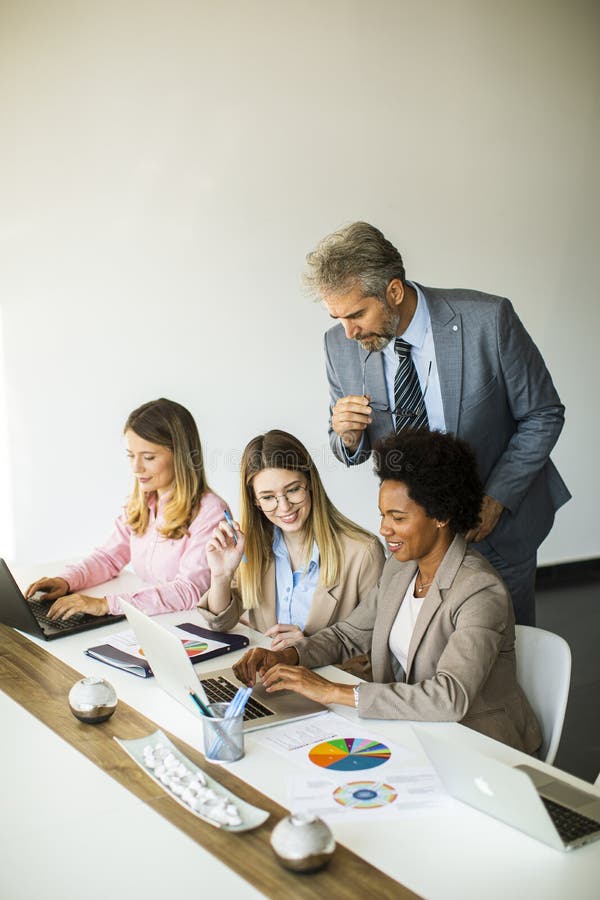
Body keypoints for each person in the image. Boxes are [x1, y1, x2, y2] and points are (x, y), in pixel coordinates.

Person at [304, 221, 570, 626]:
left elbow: (543, 414)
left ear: (393, 291)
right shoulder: (338, 344)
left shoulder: (489, 320)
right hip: (415, 539)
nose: (348, 331)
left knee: (505, 662)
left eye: (357, 314)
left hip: (496, 527)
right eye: (338, 317)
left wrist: (496, 498)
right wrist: (347, 435)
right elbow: (347, 449)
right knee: (424, 657)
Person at [232, 430, 542, 755]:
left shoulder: (479, 590)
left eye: (398, 517)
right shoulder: (401, 568)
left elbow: (449, 696)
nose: (384, 529)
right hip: (409, 731)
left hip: (478, 747)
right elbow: (348, 635)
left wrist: (332, 691)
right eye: (382, 514)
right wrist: (288, 656)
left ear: (442, 515)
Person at [26, 398, 228, 619]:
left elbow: (189, 590)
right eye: (131, 456)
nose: (136, 467)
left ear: (180, 456)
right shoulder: (143, 502)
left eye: (149, 457)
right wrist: (66, 580)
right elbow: (108, 558)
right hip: (151, 620)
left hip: (188, 625)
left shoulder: (211, 512)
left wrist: (106, 604)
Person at [198, 429, 385, 656]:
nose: (285, 507)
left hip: (325, 684)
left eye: (293, 490)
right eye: (268, 497)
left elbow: (377, 650)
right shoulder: (255, 546)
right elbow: (220, 623)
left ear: (311, 483)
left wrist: (309, 648)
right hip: (268, 678)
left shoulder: (363, 553)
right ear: (255, 502)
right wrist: (221, 576)